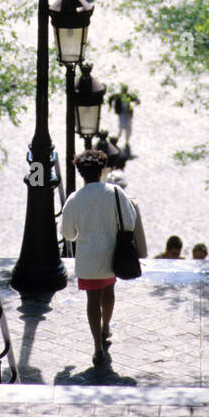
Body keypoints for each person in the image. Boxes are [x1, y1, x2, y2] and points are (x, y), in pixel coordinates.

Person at [61, 149, 137, 367]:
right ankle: (105, 328)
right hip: (111, 255)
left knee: (92, 301)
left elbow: (68, 234)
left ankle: (97, 346)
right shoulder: (115, 193)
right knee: (109, 291)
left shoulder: (75, 199)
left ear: (80, 172)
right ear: (103, 170)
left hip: (87, 259)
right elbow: (130, 222)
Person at [108, 83, 140, 154]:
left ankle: (127, 141)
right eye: (123, 90)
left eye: (125, 90)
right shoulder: (118, 96)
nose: (124, 92)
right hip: (121, 113)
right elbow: (111, 98)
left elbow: (137, 100)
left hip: (128, 114)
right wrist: (110, 105)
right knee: (122, 125)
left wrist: (134, 103)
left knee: (129, 127)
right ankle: (118, 137)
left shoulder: (129, 96)